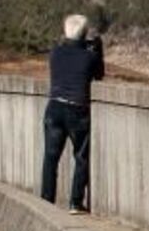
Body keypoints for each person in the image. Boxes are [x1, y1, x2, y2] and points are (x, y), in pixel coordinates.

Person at [42, 13, 103, 214]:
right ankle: (75, 203)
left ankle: (46, 201)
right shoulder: (89, 56)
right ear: (84, 33)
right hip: (77, 110)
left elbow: (68, 57)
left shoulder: (55, 53)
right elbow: (99, 75)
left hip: (54, 107)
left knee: (51, 158)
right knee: (81, 157)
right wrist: (97, 49)